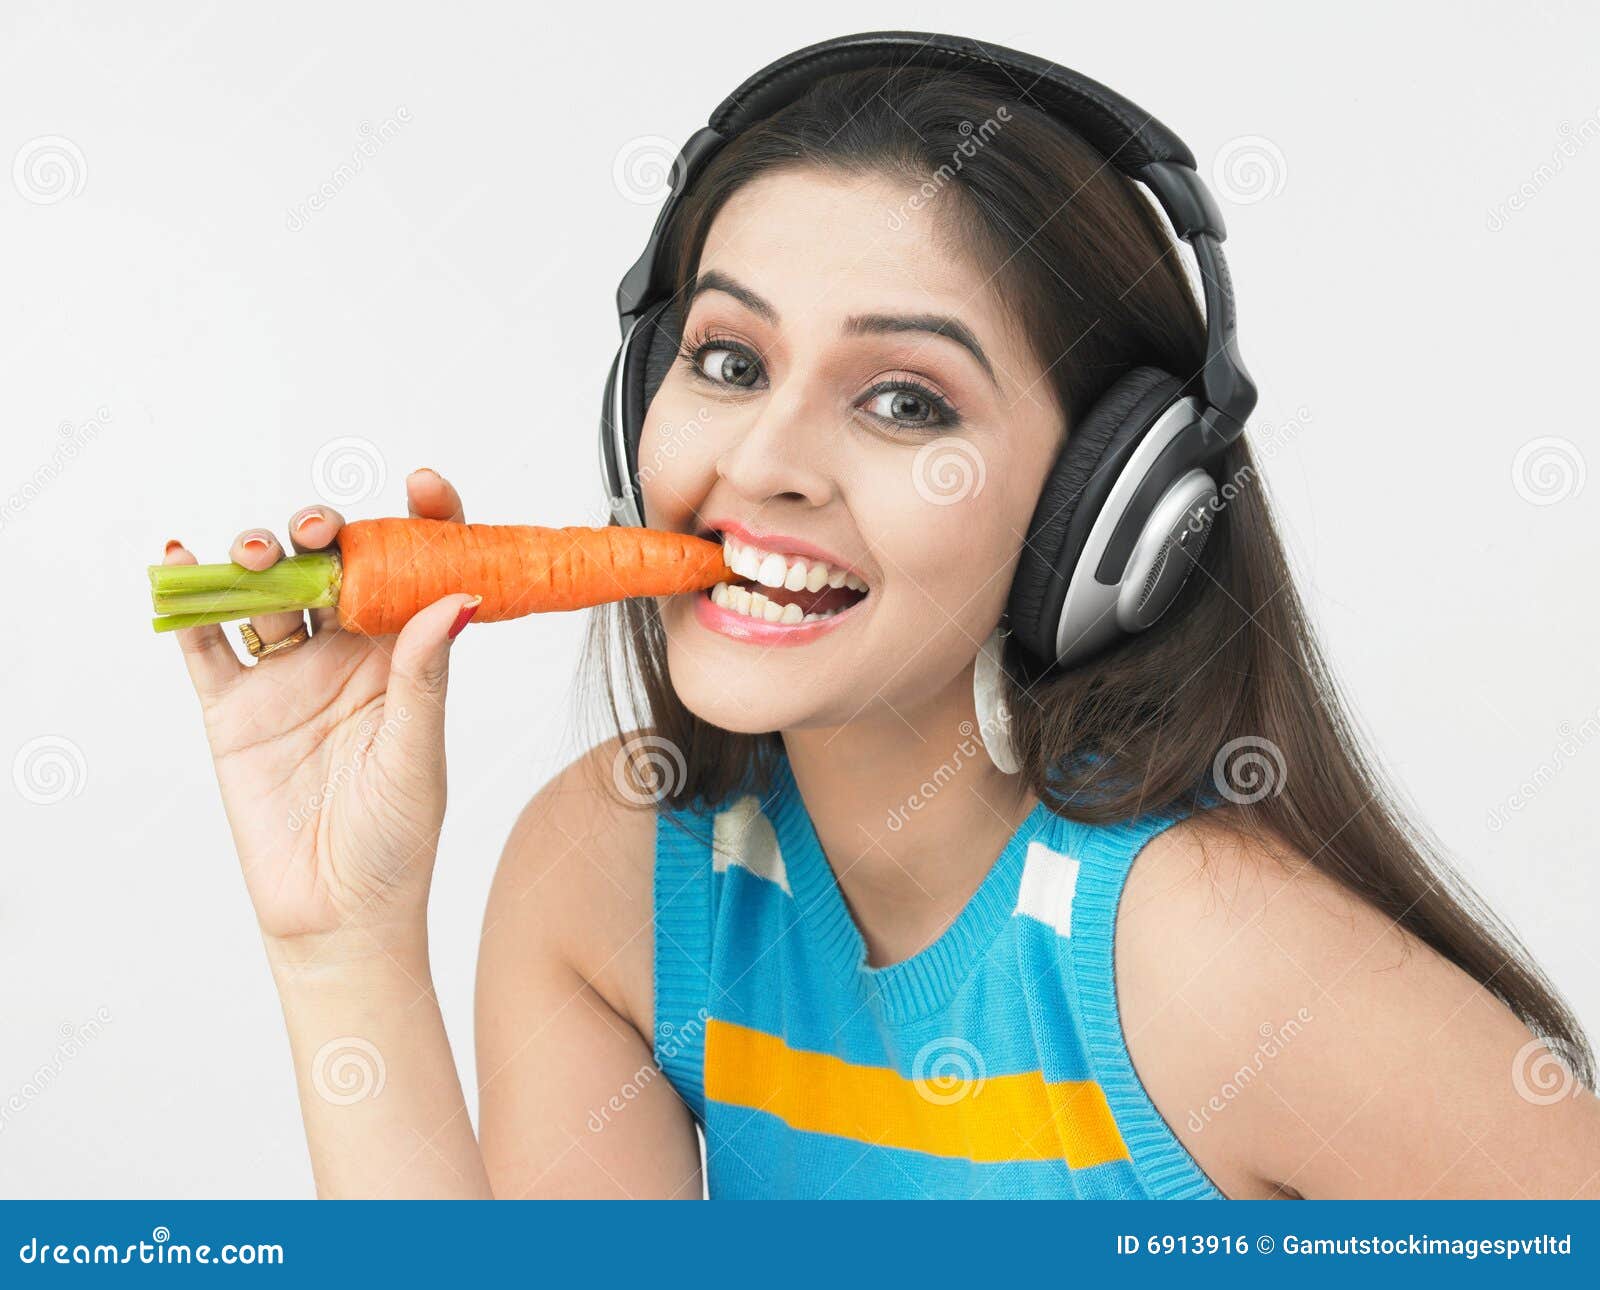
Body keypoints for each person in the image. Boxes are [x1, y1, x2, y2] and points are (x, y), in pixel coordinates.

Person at [162, 37, 1600, 1199]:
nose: (765, 459)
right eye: (729, 360)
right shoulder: (620, 882)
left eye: (906, 400)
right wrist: (341, 946)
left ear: (1105, 510)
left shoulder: (1213, 963)